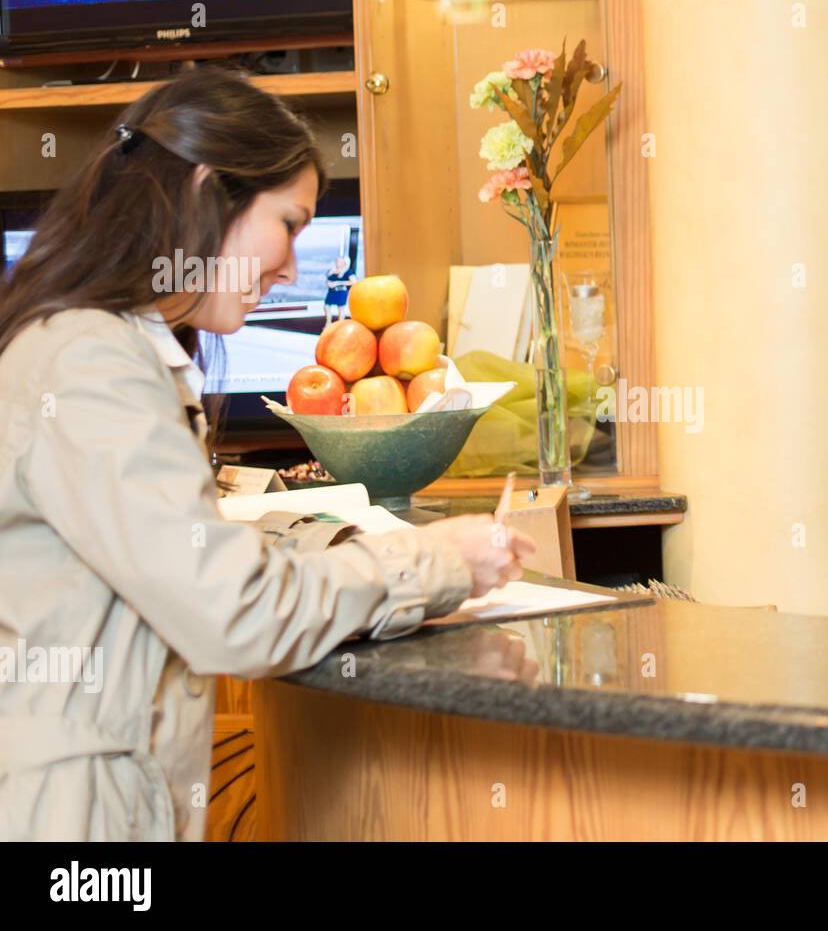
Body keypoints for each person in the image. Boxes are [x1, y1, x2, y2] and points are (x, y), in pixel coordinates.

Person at [0, 65, 535, 840]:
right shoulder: (89, 362)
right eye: (289, 223)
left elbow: (180, 550)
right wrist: (434, 564)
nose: (291, 266)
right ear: (205, 193)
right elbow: (231, 609)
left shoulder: (97, 348)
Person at [323, 253, 354, 326]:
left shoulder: (347, 271)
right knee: (326, 306)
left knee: (341, 309)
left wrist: (338, 283)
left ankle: (340, 325)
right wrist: (328, 283)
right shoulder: (332, 271)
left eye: (340, 261)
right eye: (337, 261)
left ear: (344, 263)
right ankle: (328, 323)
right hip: (331, 292)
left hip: (341, 291)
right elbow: (327, 279)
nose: (338, 263)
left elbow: (353, 281)